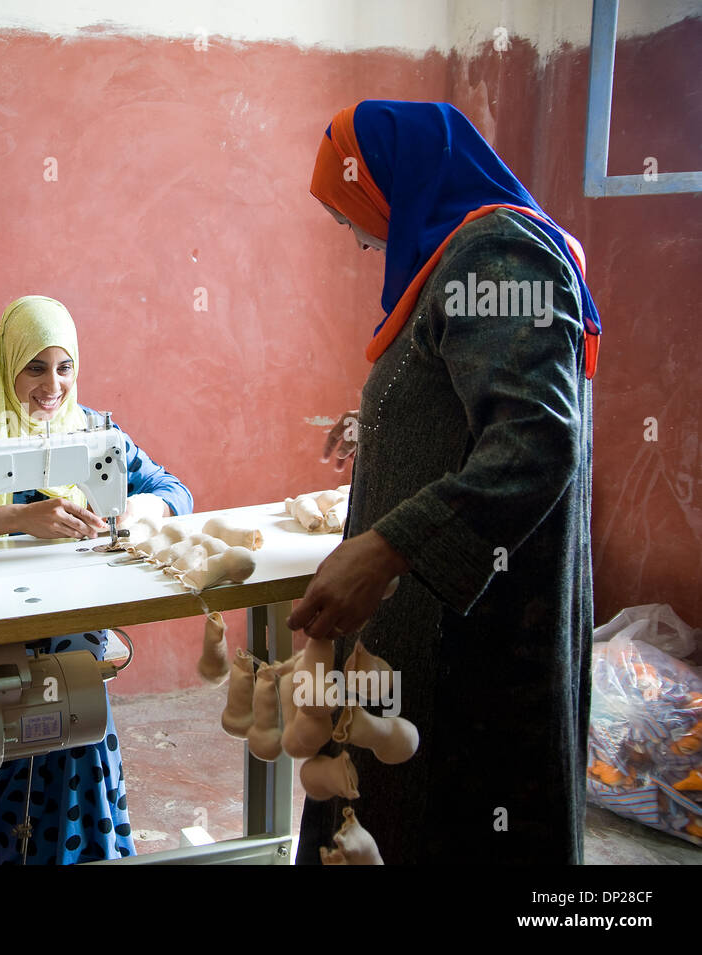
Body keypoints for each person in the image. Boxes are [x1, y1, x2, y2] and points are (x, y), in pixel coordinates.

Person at [289, 101, 599, 864]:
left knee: (450, 820)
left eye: (352, 215)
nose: (361, 237)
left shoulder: (498, 253)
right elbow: (471, 404)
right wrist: (383, 427)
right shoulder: (454, 265)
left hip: (469, 640)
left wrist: (386, 547)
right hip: (426, 626)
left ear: (396, 180)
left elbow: (535, 438)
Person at [0, 294, 192, 864]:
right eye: (35, 366)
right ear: (7, 365)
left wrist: (135, 513)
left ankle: (76, 849)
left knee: (76, 704)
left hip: (74, 619)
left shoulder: (96, 433)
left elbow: (174, 491)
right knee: (42, 706)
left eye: (64, 367)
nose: (51, 385)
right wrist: (13, 518)